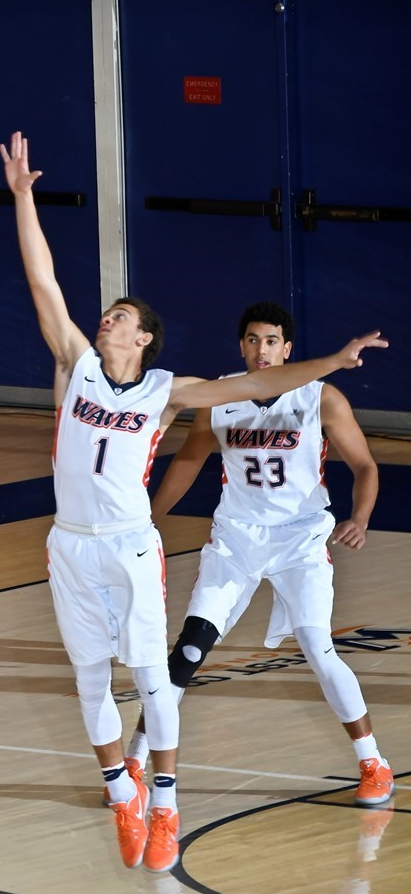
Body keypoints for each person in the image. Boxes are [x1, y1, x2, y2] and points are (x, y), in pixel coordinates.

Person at [0, 131, 387, 874]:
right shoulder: (75, 366)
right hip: (110, 539)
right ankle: (124, 786)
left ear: (143, 337)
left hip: (226, 540)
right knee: (117, 674)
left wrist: (334, 360)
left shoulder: (173, 390)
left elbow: (259, 388)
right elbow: (42, 280)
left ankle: (174, 805)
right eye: (105, 313)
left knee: (183, 666)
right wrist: (23, 197)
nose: (105, 319)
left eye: (119, 315)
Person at [127, 301, 393, 807]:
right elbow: (187, 460)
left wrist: (358, 518)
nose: (261, 349)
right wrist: (150, 518)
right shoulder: (221, 397)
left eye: (271, 341)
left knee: (319, 648)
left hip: (300, 540)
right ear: (241, 346)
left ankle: (373, 763)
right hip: (237, 539)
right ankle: (136, 759)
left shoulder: (322, 397)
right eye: (252, 339)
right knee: (187, 650)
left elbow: (365, 466)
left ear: (288, 349)